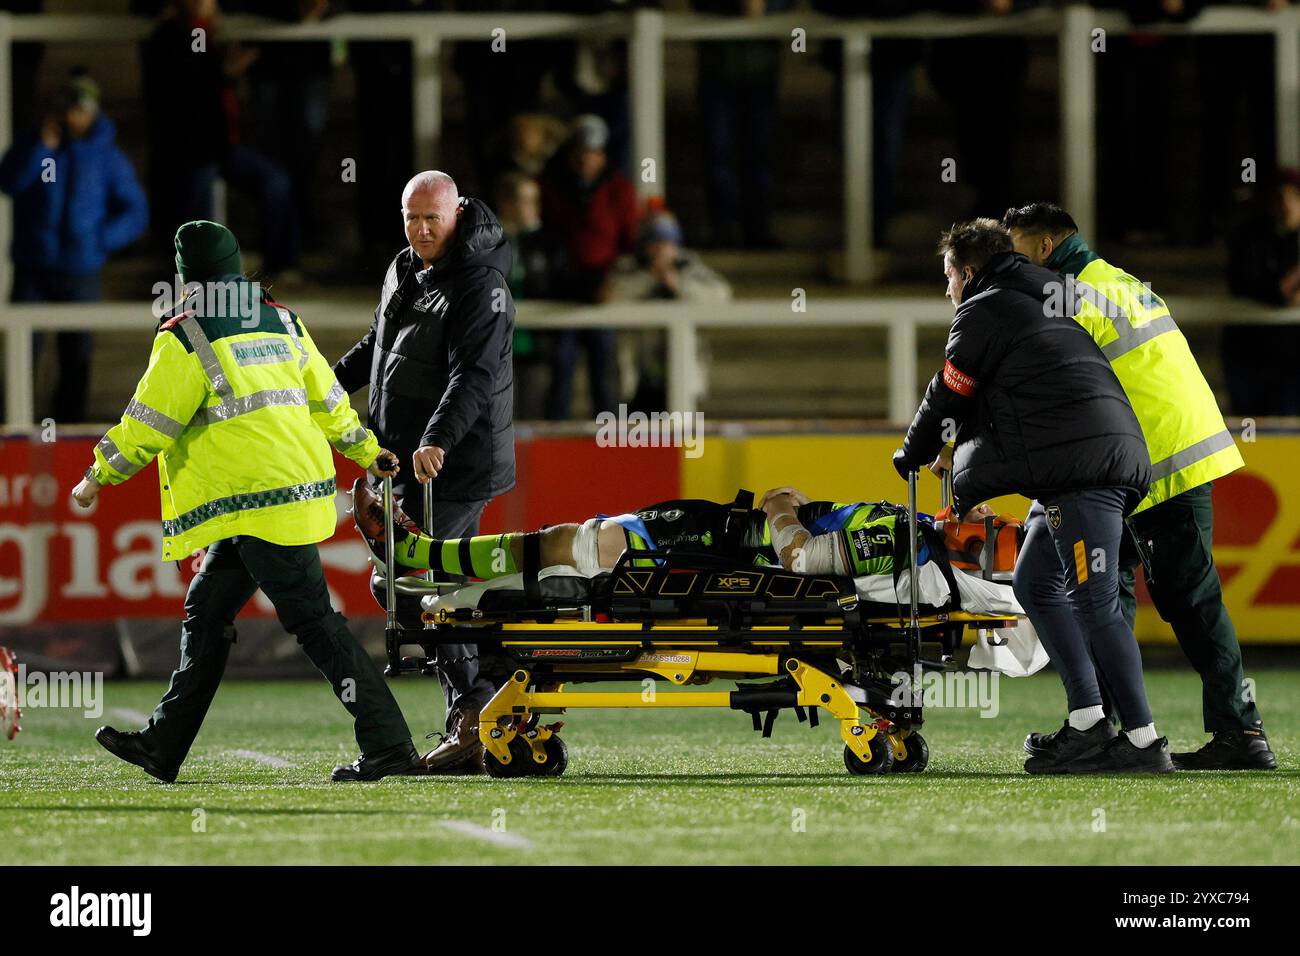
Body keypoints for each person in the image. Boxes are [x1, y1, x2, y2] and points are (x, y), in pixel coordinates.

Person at [75, 221, 421, 783]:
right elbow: (328, 399)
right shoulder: (283, 320)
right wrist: (367, 451)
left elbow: (147, 425)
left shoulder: (187, 336)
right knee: (207, 614)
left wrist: (96, 475)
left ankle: (389, 745)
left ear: (188, 280)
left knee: (315, 625)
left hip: (257, 505)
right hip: (287, 497)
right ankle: (163, 746)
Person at [892, 218, 1169, 774]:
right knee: (1034, 580)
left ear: (967, 273)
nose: (947, 290)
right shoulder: (1041, 297)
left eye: (948, 278)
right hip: (1084, 459)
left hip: (1082, 470)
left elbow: (951, 389)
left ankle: (1142, 740)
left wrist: (913, 449)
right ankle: (1089, 722)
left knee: (1094, 600)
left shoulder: (983, 310)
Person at [1006, 201, 1276, 770]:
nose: (1012, 260)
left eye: (1017, 246)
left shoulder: (1068, 296)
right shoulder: (1116, 281)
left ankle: (1237, 731)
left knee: (1186, 599)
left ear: (1047, 243)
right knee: (1105, 591)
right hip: (1163, 450)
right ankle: (1113, 727)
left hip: (1155, 459)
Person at [333, 170, 516, 775]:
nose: (420, 230)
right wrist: (324, 390)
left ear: (458, 212)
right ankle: (485, 707)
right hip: (401, 464)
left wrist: (437, 438)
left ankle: (476, 714)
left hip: (453, 467)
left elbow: (475, 376)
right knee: (410, 587)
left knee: (423, 587)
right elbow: (380, 346)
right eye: (411, 218)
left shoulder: (481, 284)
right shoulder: (406, 266)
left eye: (431, 219)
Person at [350, 480, 986, 580]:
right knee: (579, 539)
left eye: (989, 526)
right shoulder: (919, 524)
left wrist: (781, 507)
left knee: (581, 543)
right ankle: (425, 559)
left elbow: (804, 559)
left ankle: (420, 556)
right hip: (724, 532)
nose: (980, 513)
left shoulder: (907, 540)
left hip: (728, 552)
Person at [0, 69, 148, 423]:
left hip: (80, 271)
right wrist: (40, 148)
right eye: (66, 108)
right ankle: (12, 425)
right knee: (22, 353)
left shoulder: (106, 157)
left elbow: (136, 210)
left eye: (79, 109)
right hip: (33, 268)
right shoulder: (33, 143)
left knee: (76, 355)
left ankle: (68, 426)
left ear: (92, 112)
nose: (71, 117)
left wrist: (101, 239)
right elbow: (9, 182)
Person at [140, 0, 299, 277]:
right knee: (201, 202)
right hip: (190, 150)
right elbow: (180, 99)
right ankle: (202, 278)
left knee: (277, 182)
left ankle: (281, 266)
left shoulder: (221, 29)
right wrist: (223, 74)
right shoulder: (167, 37)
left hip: (223, 146)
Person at [539, 114, 639, 419]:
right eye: (580, 153)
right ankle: (555, 433)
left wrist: (614, 281)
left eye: (592, 153)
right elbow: (545, 236)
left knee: (603, 365)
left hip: (601, 286)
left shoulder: (619, 190)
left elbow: (630, 243)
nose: (586, 160)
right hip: (564, 288)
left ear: (603, 155)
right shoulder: (552, 186)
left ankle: (607, 433)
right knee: (562, 363)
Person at [1224, 169, 1300, 416]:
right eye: (1280, 198)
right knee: (1251, 424)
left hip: (1292, 355)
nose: (1287, 206)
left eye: (1295, 198)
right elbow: (1244, 282)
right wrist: (1282, 289)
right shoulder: (1252, 237)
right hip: (1251, 350)